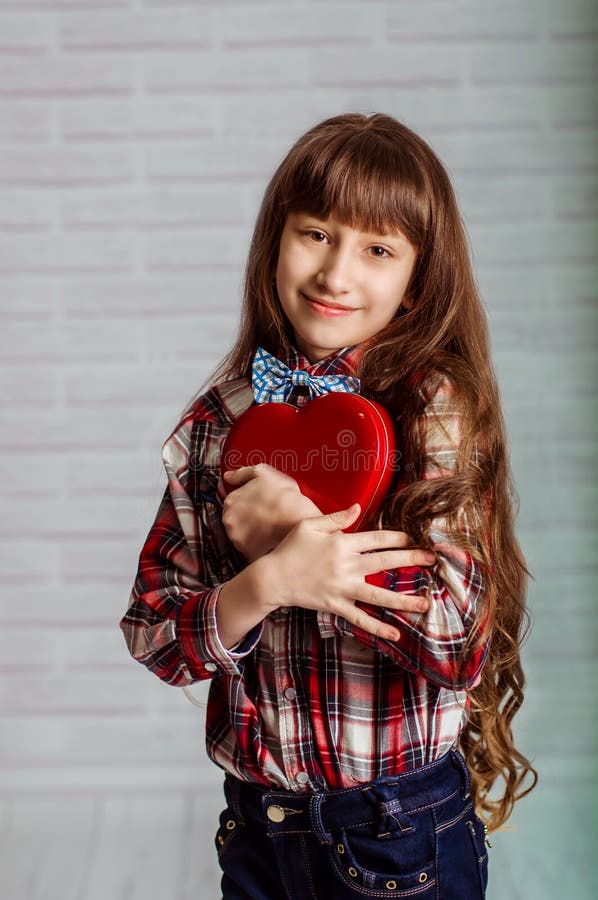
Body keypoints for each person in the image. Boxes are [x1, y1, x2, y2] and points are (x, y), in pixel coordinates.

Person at [120, 112, 536, 899]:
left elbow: (458, 646)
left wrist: (297, 539)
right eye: (316, 233)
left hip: (399, 833)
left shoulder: (435, 410)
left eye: (378, 250)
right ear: (276, 237)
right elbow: (154, 635)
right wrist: (262, 584)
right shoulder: (216, 423)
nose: (336, 274)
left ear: (418, 276)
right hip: (257, 831)